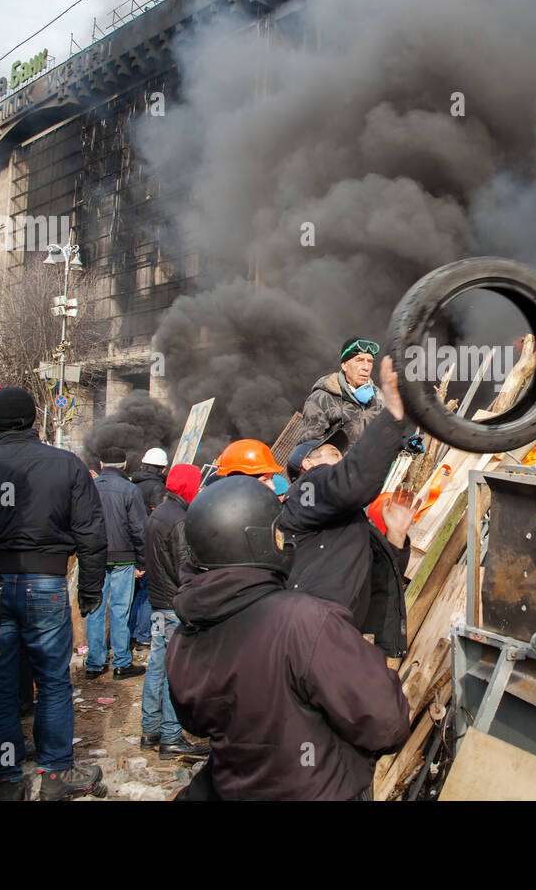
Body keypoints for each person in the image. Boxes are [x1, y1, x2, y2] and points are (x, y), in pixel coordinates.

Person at [166, 475, 410, 799]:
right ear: (257, 541)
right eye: (278, 533)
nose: (285, 541)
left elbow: (195, 724)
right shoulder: (306, 622)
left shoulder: (184, 636)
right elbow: (387, 723)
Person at [0, 387, 109, 800]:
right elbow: (92, 534)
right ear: (33, 422)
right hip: (47, 586)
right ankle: (55, 772)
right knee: (52, 681)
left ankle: (4, 777)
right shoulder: (67, 465)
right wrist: (90, 587)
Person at [279, 356, 411, 658]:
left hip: (339, 637)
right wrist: (391, 414)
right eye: (329, 452)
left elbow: (378, 577)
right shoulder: (305, 492)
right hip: (309, 636)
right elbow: (349, 483)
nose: (338, 456)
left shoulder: (344, 514)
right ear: (308, 464)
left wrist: (395, 536)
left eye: (340, 453)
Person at [141, 463, 209, 761]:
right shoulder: (180, 520)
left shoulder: (159, 513)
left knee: (156, 665)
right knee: (174, 670)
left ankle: (150, 729)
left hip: (157, 602)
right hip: (173, 605)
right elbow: (184, 566)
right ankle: (171, 736)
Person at [86, 448, 148, 680]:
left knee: (95, 608)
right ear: (124, 465)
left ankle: (95, 663)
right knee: (120, 609)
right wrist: (142, 560)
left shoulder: (89, 487)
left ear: (101, 465)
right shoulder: (130, 490)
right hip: (124, 557)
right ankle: (122, 662)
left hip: (95, 556)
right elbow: (139, 529)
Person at [295, 337, 385, 445]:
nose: (366, 367)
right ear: (344, 365)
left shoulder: (379, 398)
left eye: (370, 361)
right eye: (359, 360)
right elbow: (308, 447)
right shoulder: (322, 398)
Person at [127, 448, 168, 648]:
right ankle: (143, 634)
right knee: (148, 592)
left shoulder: (133, 484)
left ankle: (131, 632)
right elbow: (157, 518)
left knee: (135, 593)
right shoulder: (157, 488)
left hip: (131, 544)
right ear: (162, 468)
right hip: (149, 544)